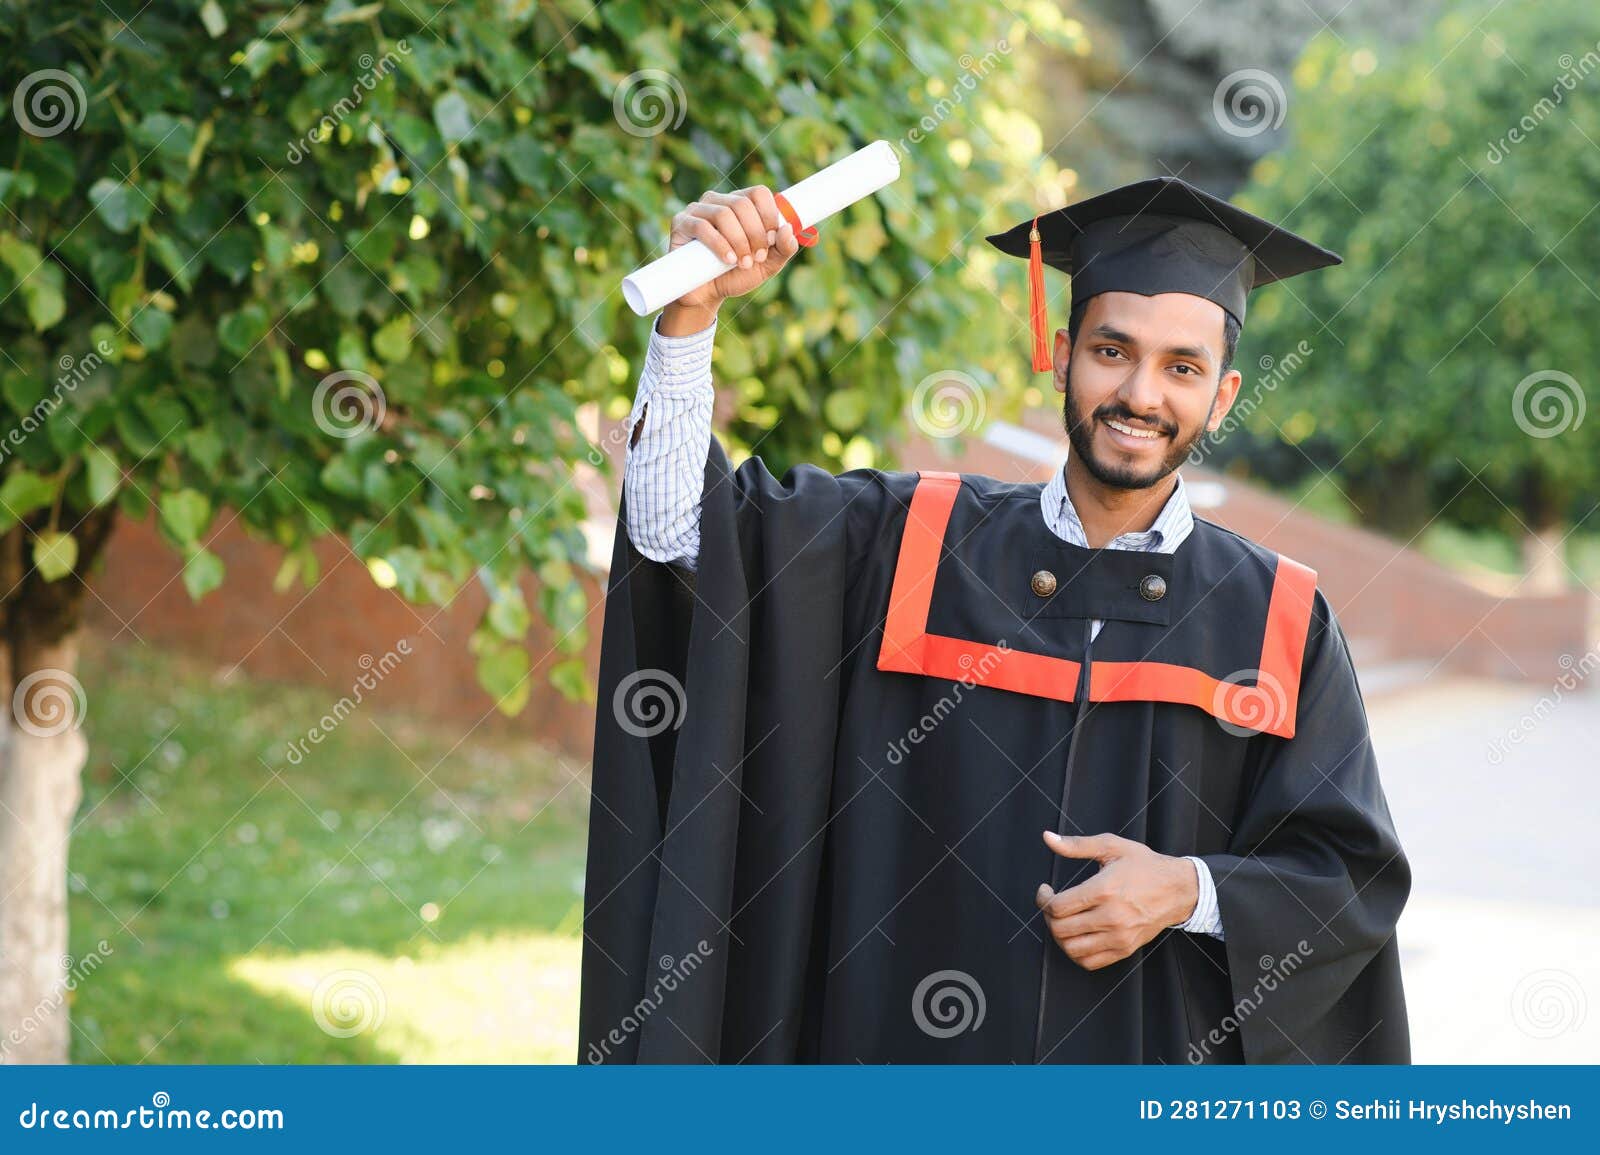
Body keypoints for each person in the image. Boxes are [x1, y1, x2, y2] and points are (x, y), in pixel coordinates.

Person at [579, 176, 1411, 1064]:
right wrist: (689, 320)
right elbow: (675, 531)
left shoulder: (1275, 614)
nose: (1139, 393)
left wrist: (1190, 890)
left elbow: (1346, 878)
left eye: (1182, 366)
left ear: (1224, 393)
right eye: (1111, 350)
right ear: (1059, 354)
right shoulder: (907, 542)